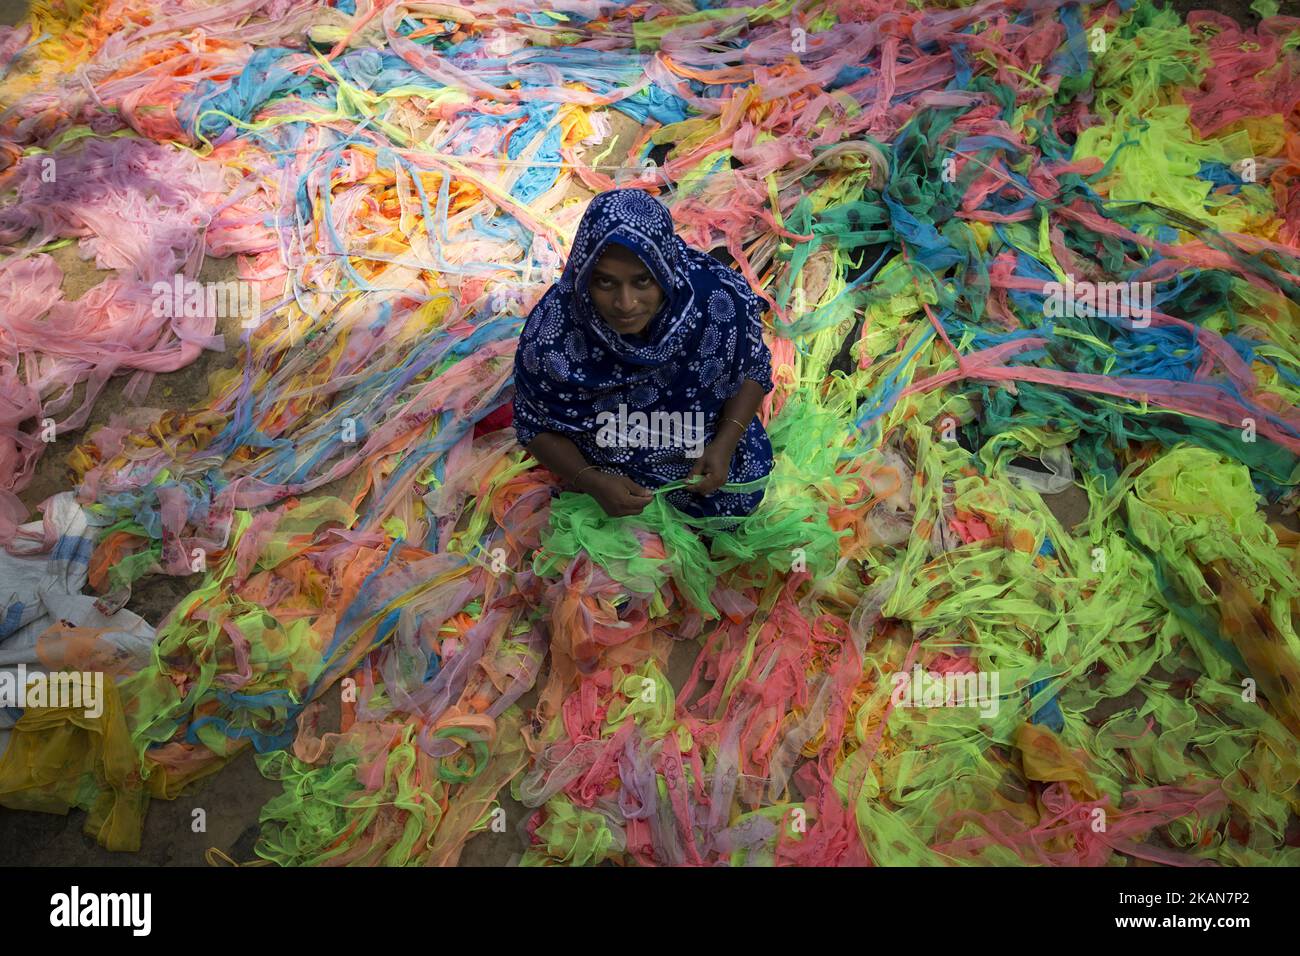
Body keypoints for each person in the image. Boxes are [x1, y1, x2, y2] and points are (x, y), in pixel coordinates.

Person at [511, 188, 775, 521]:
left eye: (643, 281)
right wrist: (591, 480)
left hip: (703, 443)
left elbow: (752, 366)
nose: (625, 304)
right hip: (608, 461)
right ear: (584, 275)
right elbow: (533, 425)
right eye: (605, 283)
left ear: (666, 272)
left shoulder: (714, 303)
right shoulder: (553, 341)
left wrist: (724, 443)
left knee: (736, 505)